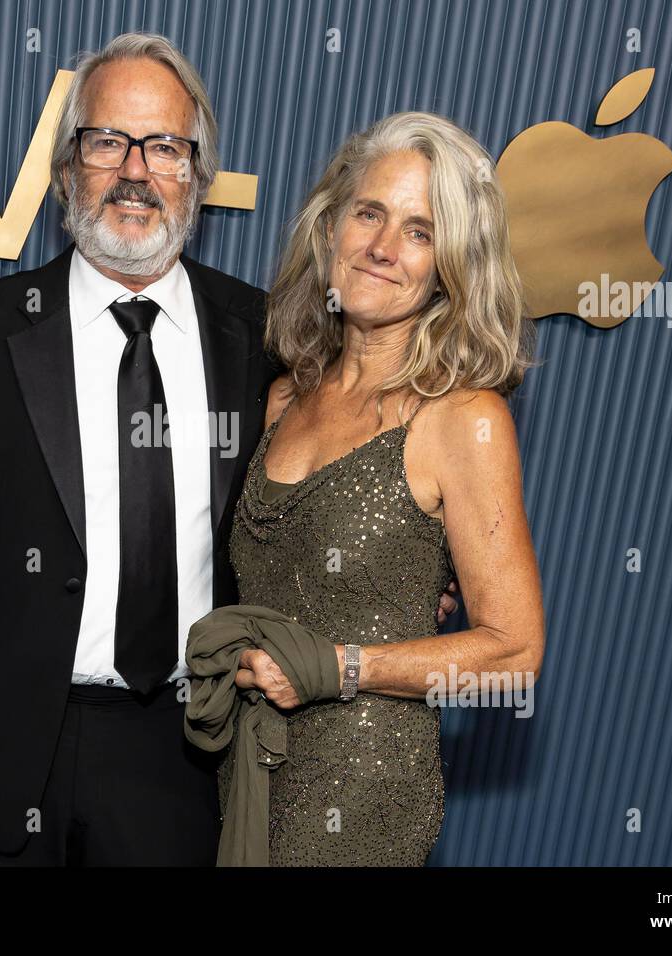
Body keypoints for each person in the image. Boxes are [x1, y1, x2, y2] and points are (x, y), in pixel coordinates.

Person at [0, 33, 457, 866]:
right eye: (108, 141)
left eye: (166, 147)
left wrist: (419, 570)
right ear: (67, 168)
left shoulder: (268, 340)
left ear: (198, 175)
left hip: (185, 752)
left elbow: (346, 474)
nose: (135, 172)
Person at [222, 111, 545, 865]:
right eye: (369, 213)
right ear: (331, 224)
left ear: (450, 267)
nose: (383, 248)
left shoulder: (462, 417)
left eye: (419, 232)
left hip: (364, 792)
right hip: (247, 768)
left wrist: (341, 666)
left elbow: (514, 653)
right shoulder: (285, 396)